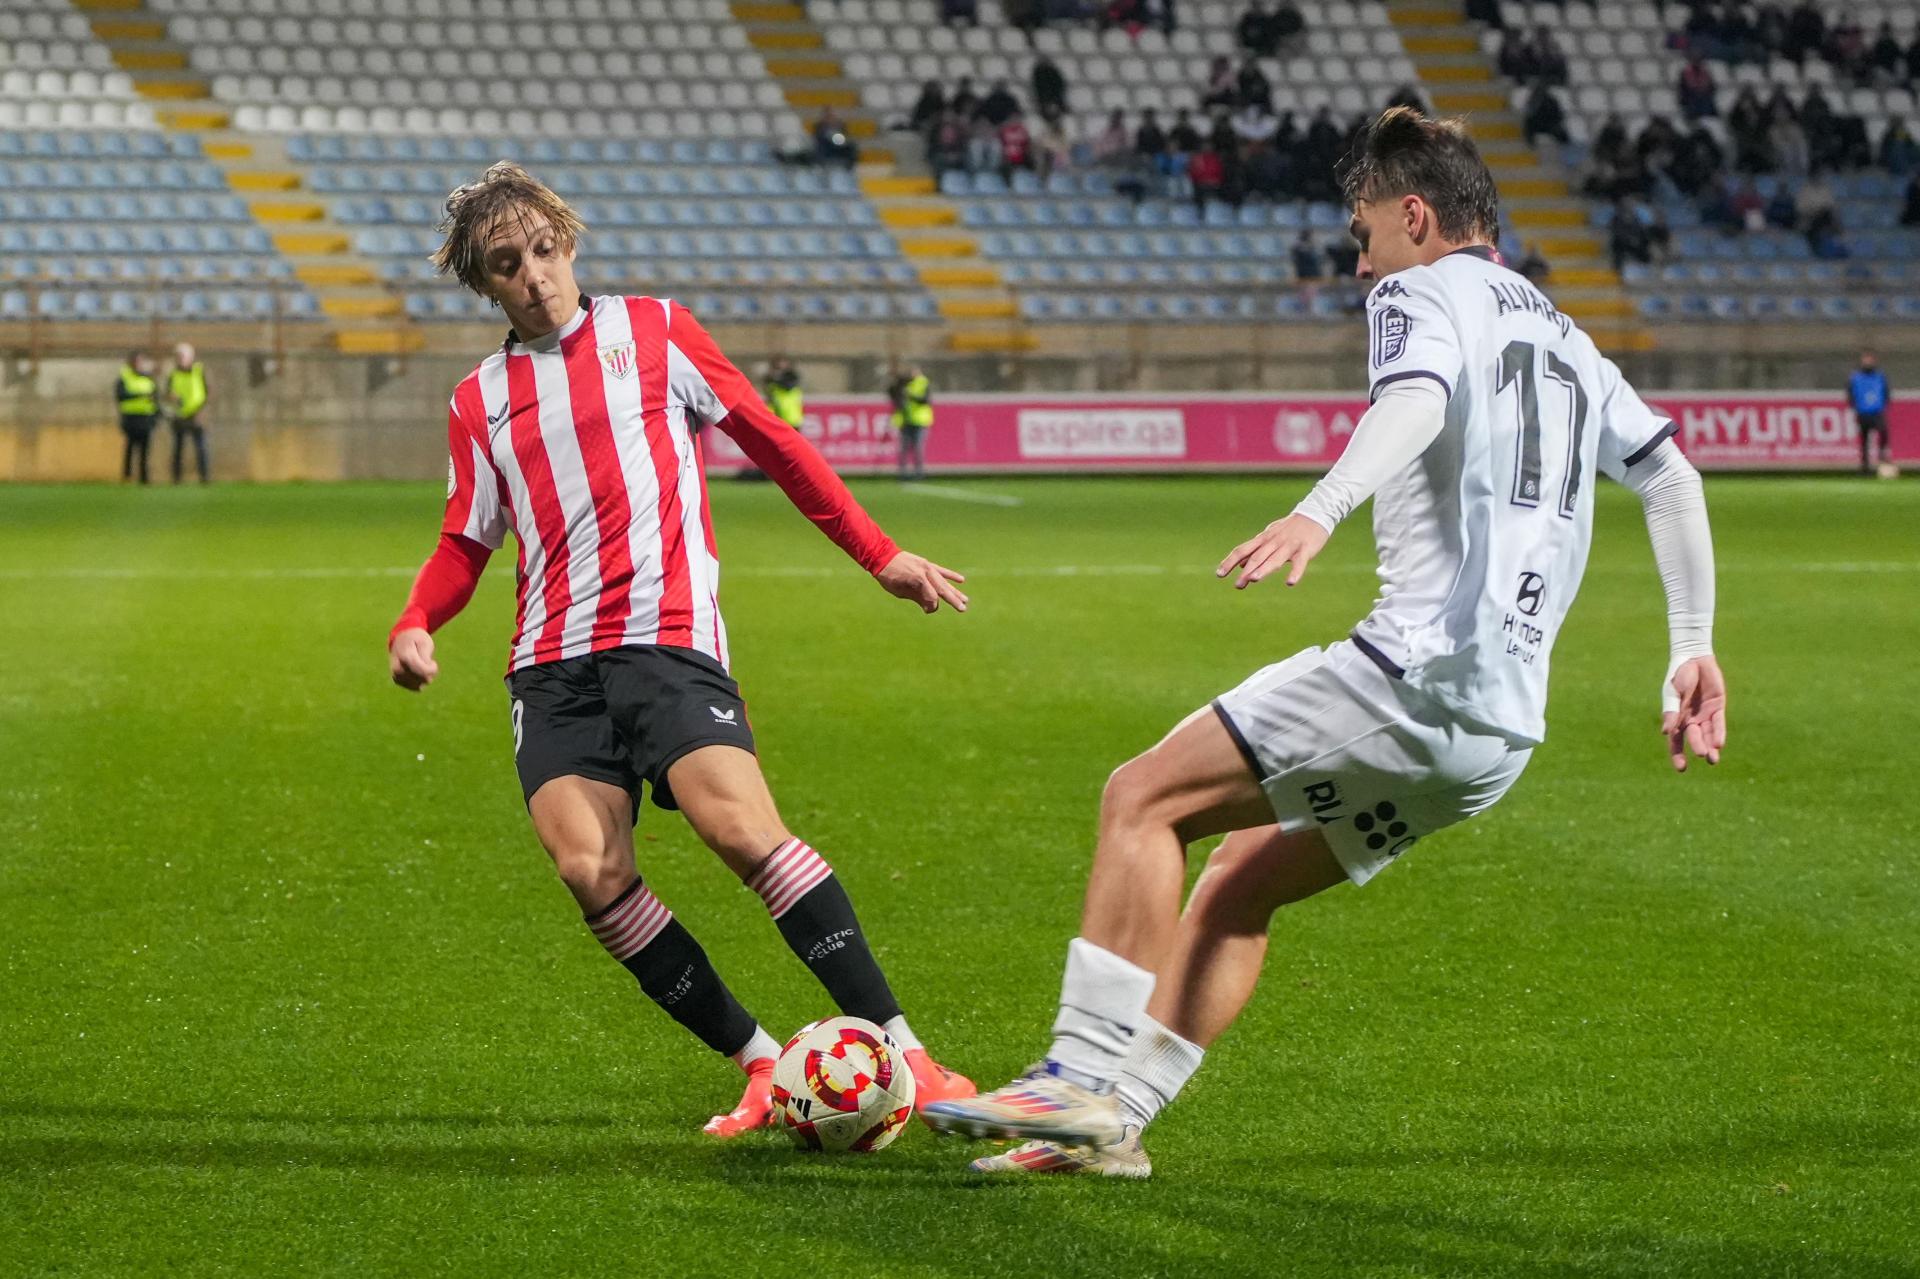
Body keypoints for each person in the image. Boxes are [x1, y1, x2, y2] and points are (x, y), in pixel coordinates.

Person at [921, 107, 1726, 1177]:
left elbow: (1416, 395)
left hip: (1409, 678)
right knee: (1242, 884)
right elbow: (1671, 474)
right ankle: (1115, 1124)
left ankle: (1074, 1072)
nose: (1360, 266)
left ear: (1414, 214)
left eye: (1361, 236)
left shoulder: (1418, 288)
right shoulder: (1567, 336)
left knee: (1143, 797)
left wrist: (1321, 507)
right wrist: (1692, 642)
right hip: (1497, 742)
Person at [385, 163, 975, 1139]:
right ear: (482, 283)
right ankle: (759, 1064)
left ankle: (911, 1054)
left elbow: (773, 441)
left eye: (542, 249)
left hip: (663, 638)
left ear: (568, 244)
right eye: (505, 264)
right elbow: (465, 537)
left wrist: (880, 553)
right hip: (550, 664)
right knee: (589, 869)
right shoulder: (478, 398)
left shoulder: (655, 332)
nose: (532, 275)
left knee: (742, 830)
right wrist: (416, 621)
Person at [165, 342, 209, 484]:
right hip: (179, 415)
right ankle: (176, 479)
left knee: (201, 448)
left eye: (183, 356)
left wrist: (202, 411)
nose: (180, 359)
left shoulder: (199, 371)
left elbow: (208, 392)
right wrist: (171, 398)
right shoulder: (173, 374)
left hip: (197, 414)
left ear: (191, 357)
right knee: (178, 449)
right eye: (178, 356)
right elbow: (168, 394)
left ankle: (205, 478)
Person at [116, 349, 158, 485]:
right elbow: (121, 396)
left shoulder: (149, 378)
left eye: (140, 361)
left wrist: (156, 417)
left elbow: (155, 398)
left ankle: (144, 478)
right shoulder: (124, 377)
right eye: (136, 361)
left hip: (146, 418)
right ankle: (127, 476)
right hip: (131, 418)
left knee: (145, 450)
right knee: (130, 448)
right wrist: (140, 396)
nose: (138, 364)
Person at [1848, 349, 1892, 475]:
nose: (1867, 361)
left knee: (1883, 433)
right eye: (1865, 359)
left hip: (1877, 412)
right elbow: (1850, 393)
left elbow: (1886, 392)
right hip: (1863, 412)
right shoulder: (1856, 377)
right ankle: (1865, 467)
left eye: (1870, 359)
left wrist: (1883, 405)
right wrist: (1855, 407)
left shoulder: (1880, 376)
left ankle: (1882, 459)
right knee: (1865, 440)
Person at [888, 360, 932, 480]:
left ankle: (919, 473)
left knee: (917, 448)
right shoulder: (905, 383)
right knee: (904, 448)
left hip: (920, 420)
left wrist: (911, 395)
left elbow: (926, 400)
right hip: (906, 420)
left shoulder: (924, 383)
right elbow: (893, 392)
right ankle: (903, 473)